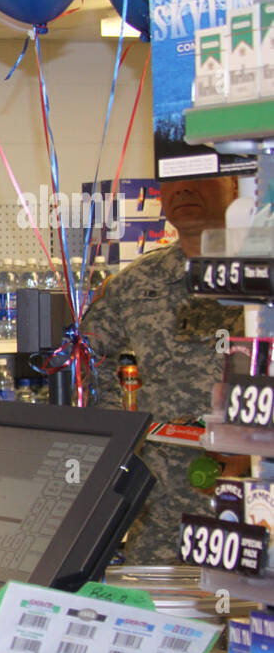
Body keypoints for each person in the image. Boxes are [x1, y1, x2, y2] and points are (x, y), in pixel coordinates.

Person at [82, 175, 244, 565]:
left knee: (244, 615)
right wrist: (119, 436)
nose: (186, 188)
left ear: (235, 186)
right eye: (174, 180)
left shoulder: (259, 274)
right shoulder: (136, 283)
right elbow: (91, 357)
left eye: (201, 177)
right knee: (155, 615)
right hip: (158, 505)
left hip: (245, 494)